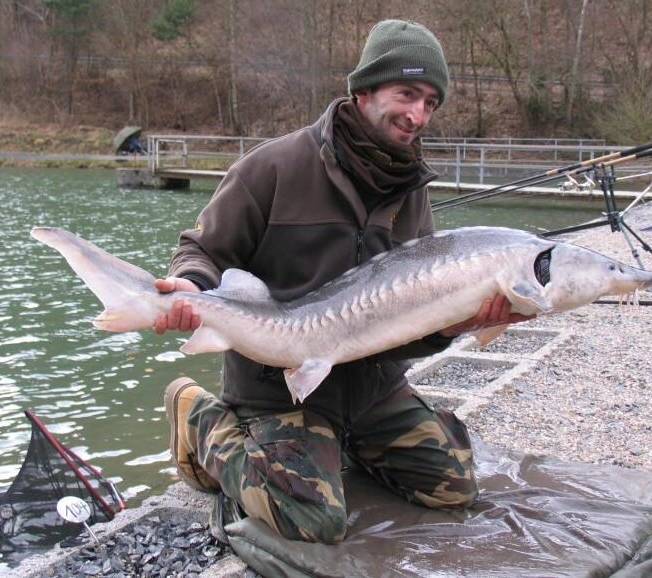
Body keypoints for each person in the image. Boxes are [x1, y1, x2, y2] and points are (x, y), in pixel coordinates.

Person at [154, 19, 530, 544]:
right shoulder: (274, 167)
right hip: (277, 383)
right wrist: (191, 285)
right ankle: (199, 417)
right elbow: (202, 249)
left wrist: (459, 324)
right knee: (311, 520)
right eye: (406, 93)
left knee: (453, 487)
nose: (417, 114)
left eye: (430, 102)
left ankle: (339, 441)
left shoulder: (411, 190)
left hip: (373, 389)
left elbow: (410, 319)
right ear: (363, 90)